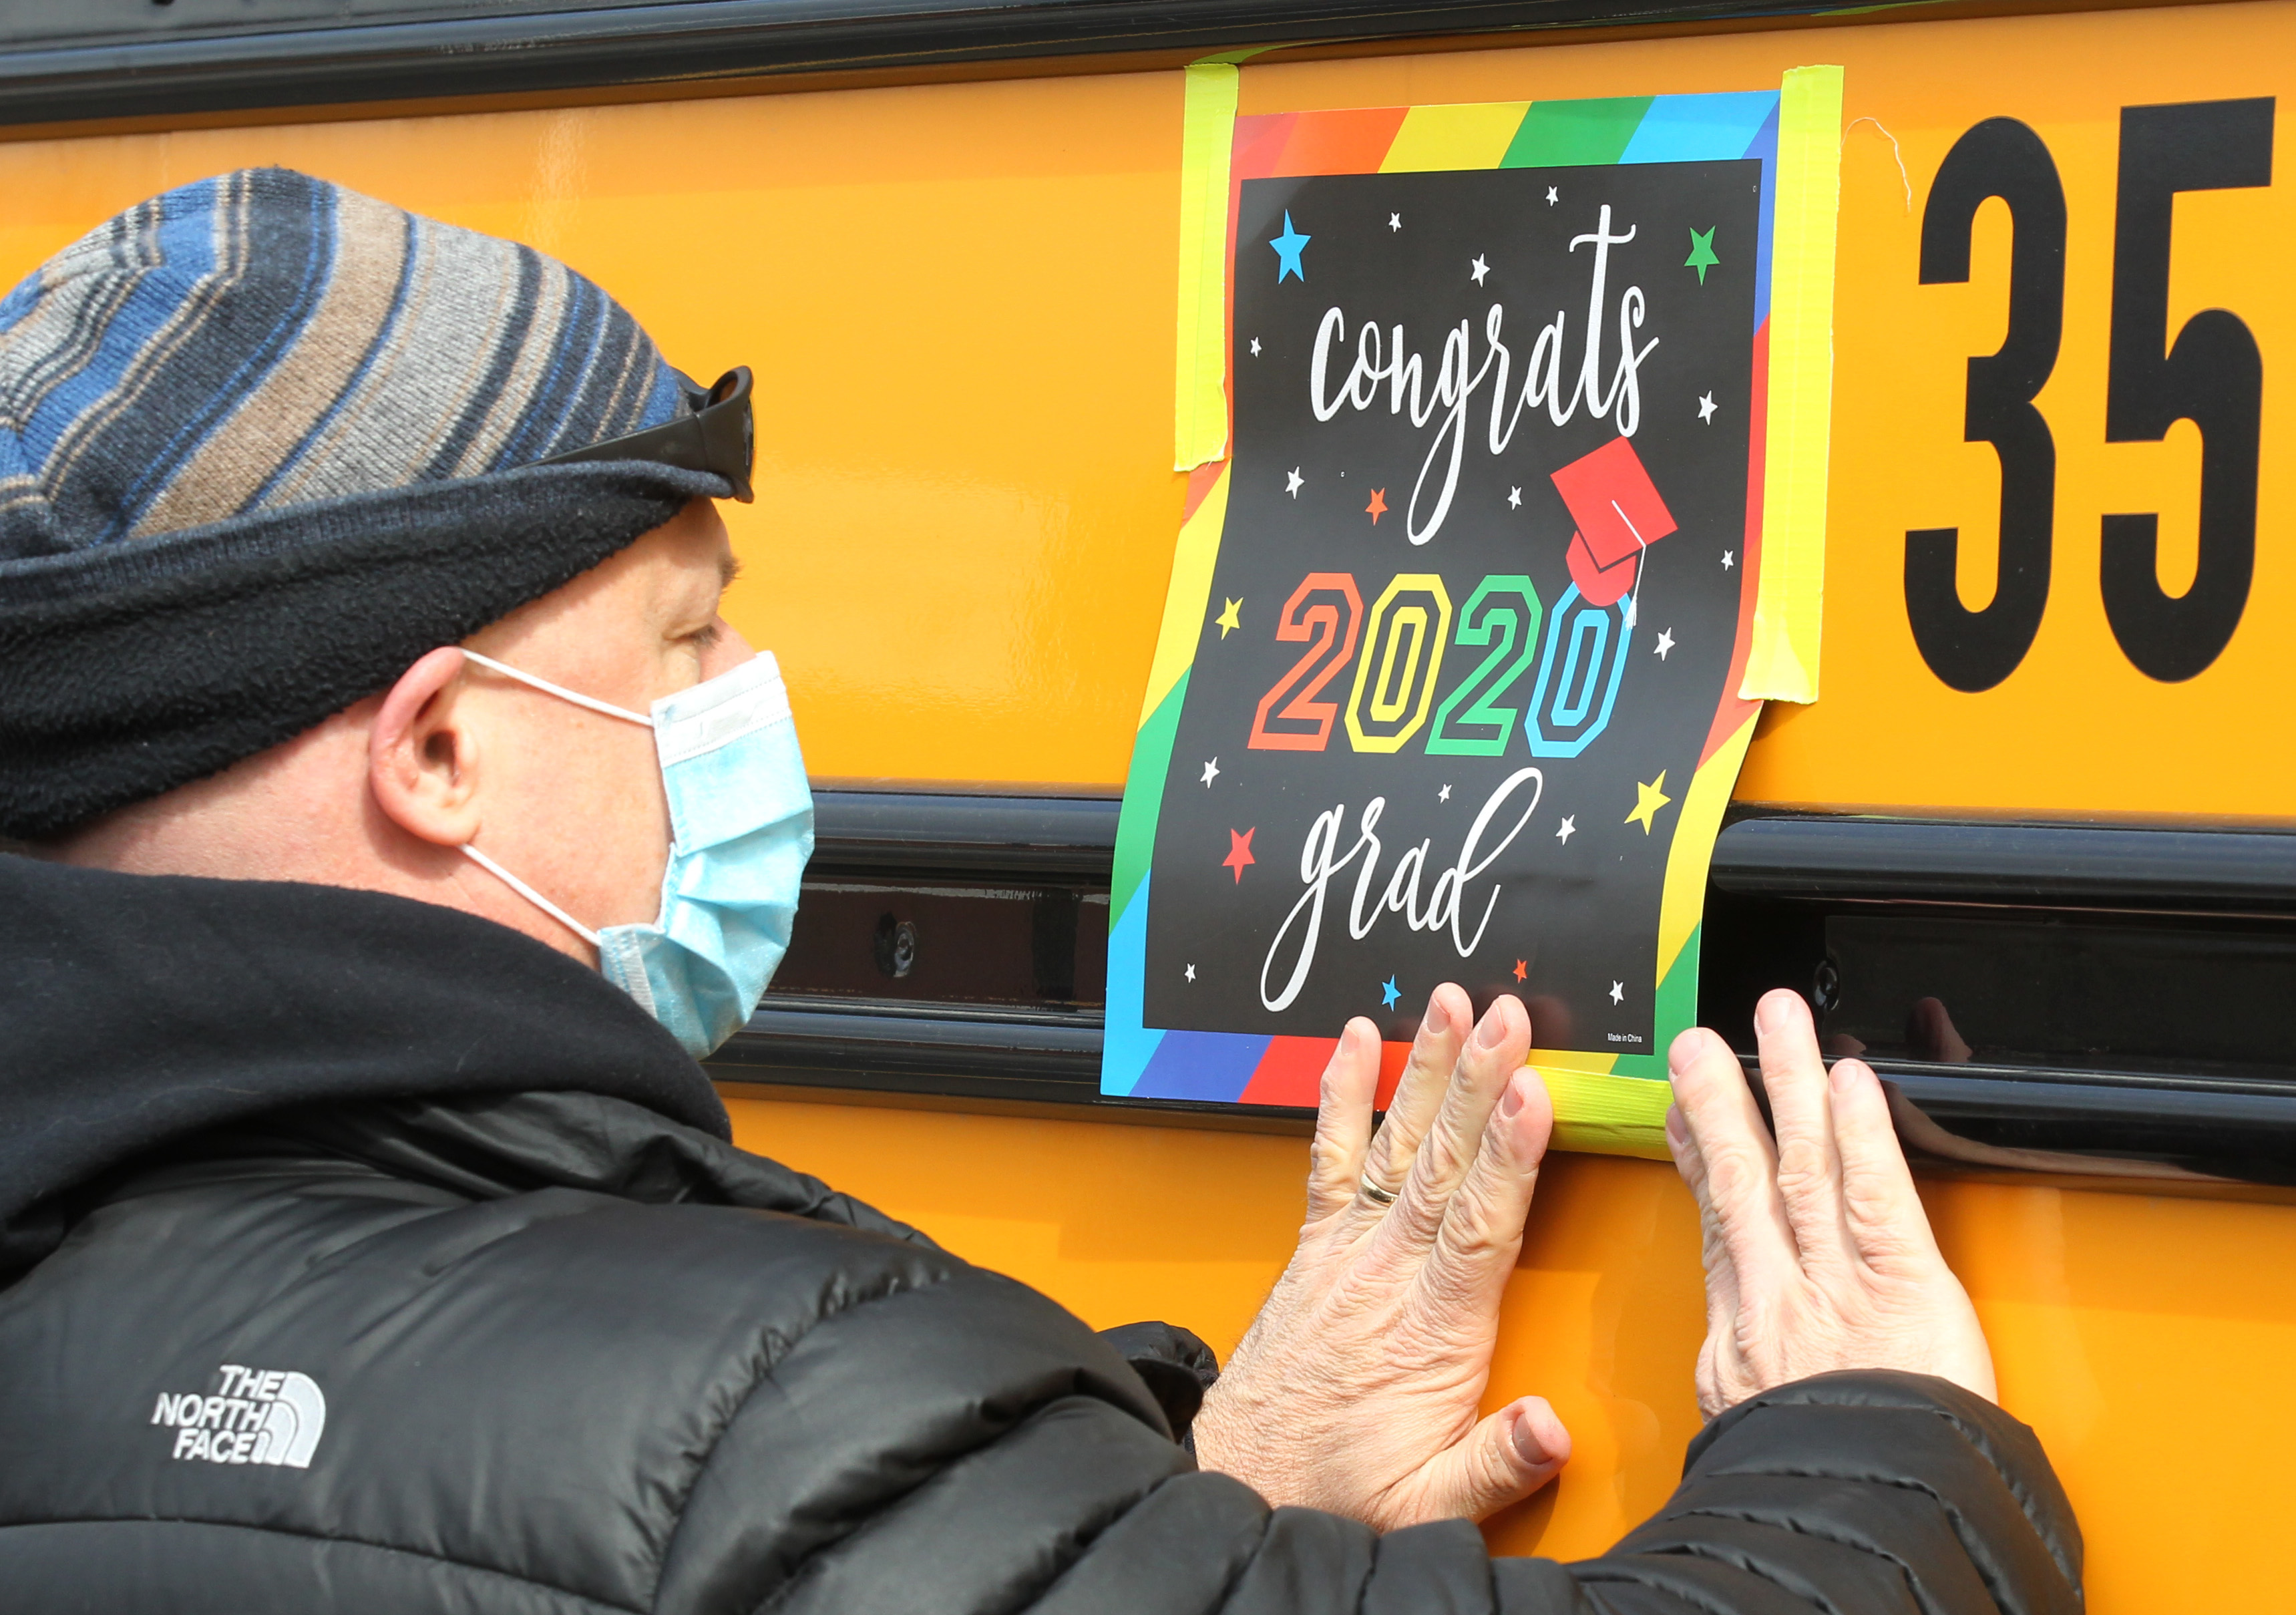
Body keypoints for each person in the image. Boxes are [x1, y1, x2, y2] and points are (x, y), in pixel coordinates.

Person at [0, 170, 2078, 1613]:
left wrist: (1178, 1508)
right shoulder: (760, 1415)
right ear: (440, 746)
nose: (748, 711)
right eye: (687, 642)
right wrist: (1880, 1453)